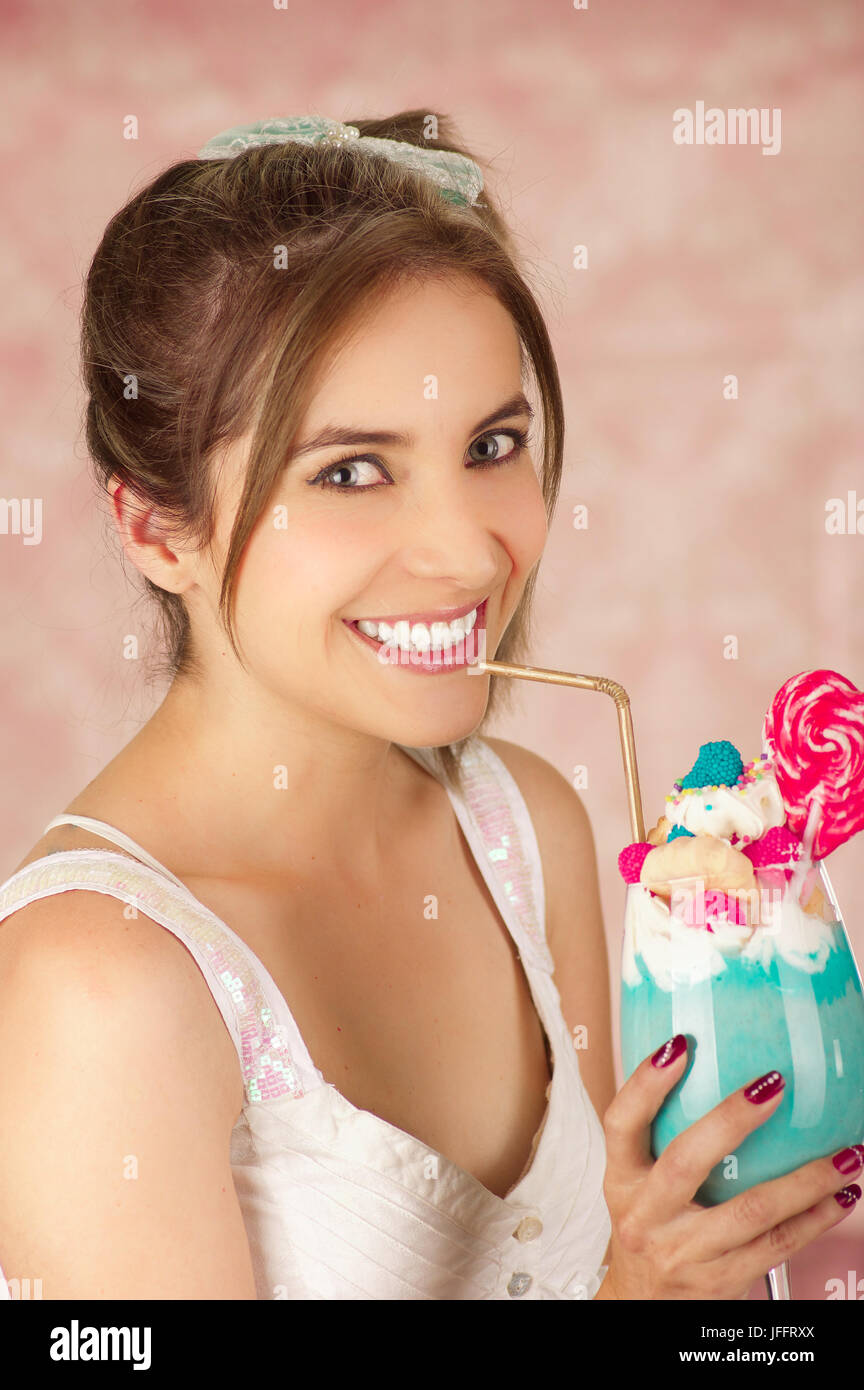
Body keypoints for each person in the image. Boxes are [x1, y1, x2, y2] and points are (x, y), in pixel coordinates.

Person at [0, 113, 859, 1302]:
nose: (468, 555)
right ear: (157, 528)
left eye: (494, 444)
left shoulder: (531, 830)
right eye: (352, 470)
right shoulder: (90, 982)